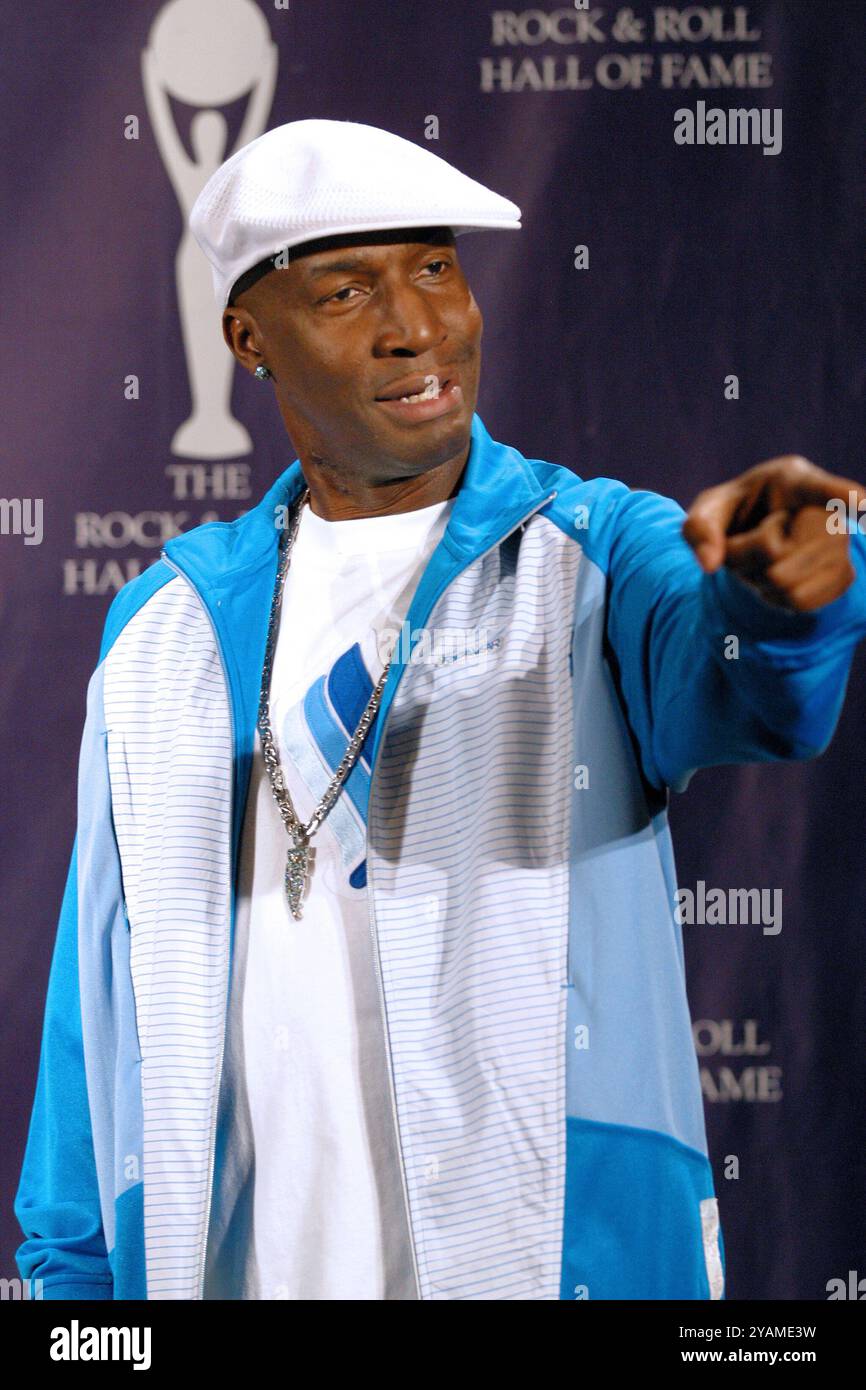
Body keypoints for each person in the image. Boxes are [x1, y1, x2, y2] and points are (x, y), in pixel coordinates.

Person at [14, 118, 866, 1302]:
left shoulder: (594, 550)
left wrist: (787, 603)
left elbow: (743, 690)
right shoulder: (163, 628)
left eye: (432, 268)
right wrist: (71, 1300)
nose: (414, 324)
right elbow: (94, 1014)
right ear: (247, 340)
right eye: (347, 289)